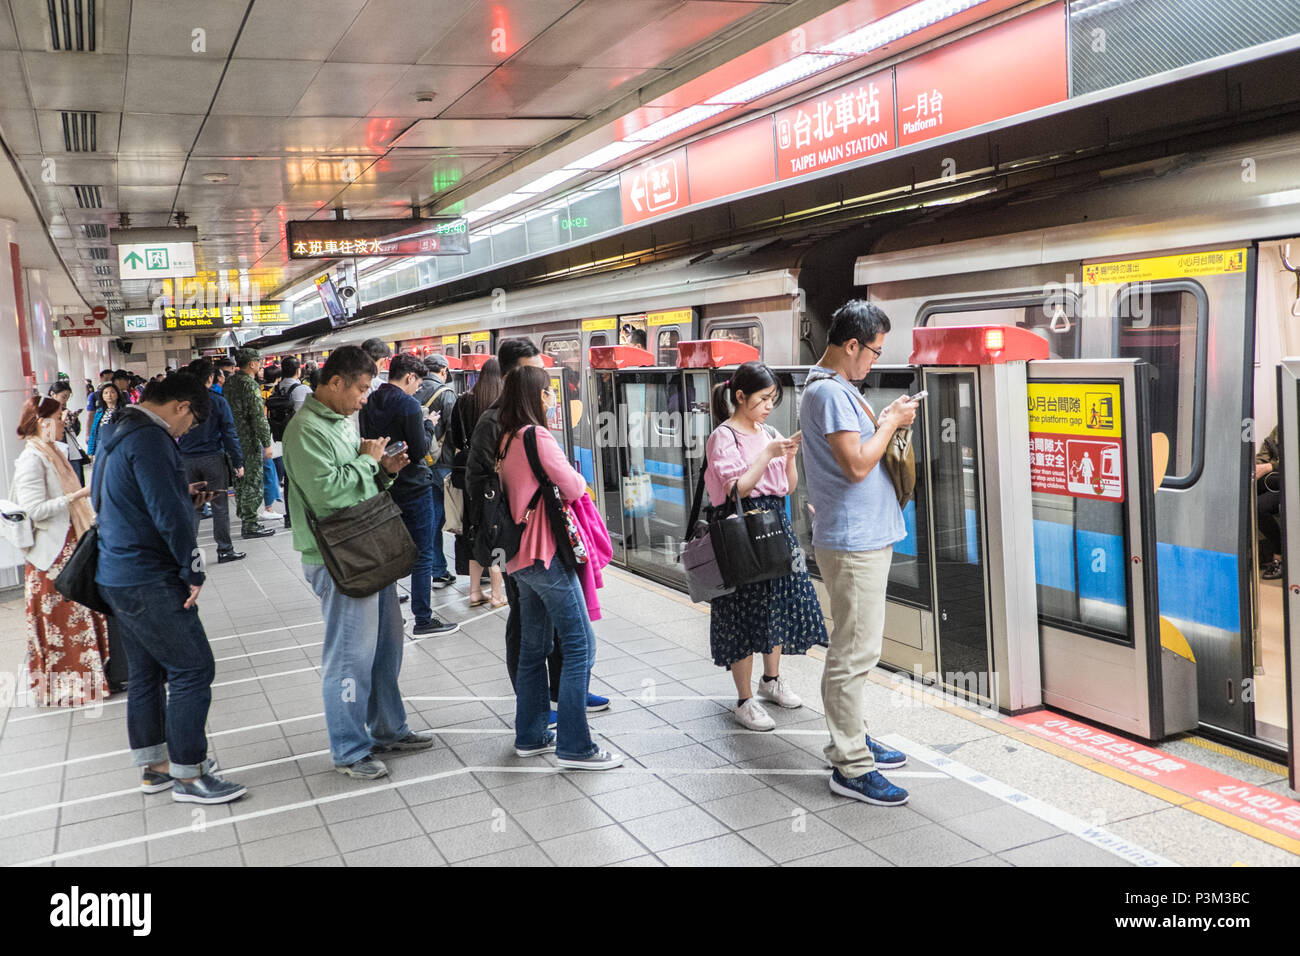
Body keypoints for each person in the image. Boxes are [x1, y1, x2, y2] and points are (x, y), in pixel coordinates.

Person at [283, 345, 435, 779]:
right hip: (338, 558)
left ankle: (388, 727)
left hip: (366, 548)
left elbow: (360, 484)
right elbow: (329, 495)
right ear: (335, 383)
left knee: (386, 645)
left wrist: (383, 469)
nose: (365, 398)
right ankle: (349, 749)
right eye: (362, 389)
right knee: (349, 656)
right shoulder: (305, 430)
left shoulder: (340, 422)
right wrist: (369, 463)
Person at [95, 371, 247, 804]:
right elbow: (169, 516)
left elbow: (119, 498)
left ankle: (156, 768)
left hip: (117, 572)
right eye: (192, 421)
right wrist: (191, 570)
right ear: (181, 406)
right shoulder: (152, 438)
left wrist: (183, 491)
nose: (188, 432)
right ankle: (190, 774)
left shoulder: (117, 428)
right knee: (193, 668)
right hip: (148, 575)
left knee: (146, 674)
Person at [799, 299, 918, 807]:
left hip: (863, 536)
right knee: (853, 652)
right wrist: (890, 419)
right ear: (851, 345)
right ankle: (849, 765)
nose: (874, 362)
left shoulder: (836, 388)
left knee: (857, 648)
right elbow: (855, 465)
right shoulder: (829, 392)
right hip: (853, 542)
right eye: (873, 352)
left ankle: (853, 735)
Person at [496, 365, 623, 771]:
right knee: (579, 644)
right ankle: (575, 745)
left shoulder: (507, 439)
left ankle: (531, 735)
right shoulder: (537, 436)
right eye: (548, 393)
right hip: (547, 554)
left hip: (519, 559)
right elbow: (572, 487)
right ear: (534, 396)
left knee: (534, 649)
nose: (552, 400)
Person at [704, 361, 827, 731]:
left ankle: (771, 681)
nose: (768, 406)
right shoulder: (723, 436)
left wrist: (788, 457)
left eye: (772, 399)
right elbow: (735, 489)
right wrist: (767, 454)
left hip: (774, 522)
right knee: (741, 612)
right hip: (741, 528)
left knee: (777, 603)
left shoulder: (768, 431)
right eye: (762, 399)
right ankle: (744, 700)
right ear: (740, 397)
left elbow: (786, 488)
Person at [10, 396, 111, 706]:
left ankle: (87, 682)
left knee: (77, 616)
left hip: (68, 550)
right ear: (43, 423)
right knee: (65, 620)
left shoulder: (52, 452)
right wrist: (76, 495)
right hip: (52, 558)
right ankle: (69, 687)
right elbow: (34, 510)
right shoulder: (33, 458)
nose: (63, 420)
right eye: (57, 417)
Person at [358, 351, 458, 637]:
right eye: (417, 382)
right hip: (414, 486)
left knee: (389, 552)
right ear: (410, 377)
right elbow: (418, 451)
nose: (418, 388)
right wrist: (428, 424)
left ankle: (390, 617)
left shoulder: (370, 401)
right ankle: (423, 618)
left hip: (383, 483)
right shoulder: (409, 405)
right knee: (423, 552)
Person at [450, 357, 506, 606]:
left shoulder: (463, 401)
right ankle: (497, 593)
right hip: (496, 481)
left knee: (472, 531)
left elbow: (453, 439)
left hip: (468, 479)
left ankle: (474, 592)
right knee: (497, 532)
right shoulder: (502, 409)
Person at [178, 358, 246, 564]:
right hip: (212, 460)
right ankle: (225, 550)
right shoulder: (218, 400)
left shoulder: (182, 402)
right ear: (210, 378)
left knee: (193, 507)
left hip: (186, 460)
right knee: (219, 506)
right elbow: (229, 432)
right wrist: (238, 461)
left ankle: (187, 554)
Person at [414, 353, 458, 590]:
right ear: (442, 370)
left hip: (421, 462)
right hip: (443, 463)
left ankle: (437, 569)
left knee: (431, 514)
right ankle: (437, 569)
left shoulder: (415, 389)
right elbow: (455, 430)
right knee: (442, 516)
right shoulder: (446, 393)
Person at [223, 348, 275, 540]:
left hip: (232, 440)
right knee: (253, 481)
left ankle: (245, 517)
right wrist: (267, 442)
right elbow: (258, 416)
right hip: (248, 441)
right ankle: (250, 524)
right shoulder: (249, 385)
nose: (260, 365)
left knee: (240, 481)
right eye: (258, 362)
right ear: (252, 363)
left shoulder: (229, 383)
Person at [268, 356, 311, 530]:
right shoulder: (302, 389)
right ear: (298, 370)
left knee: (289, 478)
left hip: (283, 437)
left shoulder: (278, 388)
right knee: (304, 477)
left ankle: (289, 516)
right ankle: (304, 513)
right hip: (301, 438)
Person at [47, 381, 88, 485]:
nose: (65, 401)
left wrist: (73, 422)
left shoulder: (66, 411)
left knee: (77, 484)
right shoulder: (46, 413)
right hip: (57, 454)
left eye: (67, 398)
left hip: (72, 453)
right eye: (63, 397)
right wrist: (62, 422)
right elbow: (49, 435)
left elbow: (76, 432)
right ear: (53, 394)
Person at [1257, 425, 1283, 580]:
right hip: (1276, 479)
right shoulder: (1280, 427)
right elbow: (1265, 452)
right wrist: (1257, 466)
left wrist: (1271, 466)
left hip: (1291, 480)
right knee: (1246, 492)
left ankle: (1279, 557)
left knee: (1259, 506)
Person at [86, 382, 123, 458]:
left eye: (112, 392)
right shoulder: (99, 412)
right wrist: (90, 452)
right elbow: (94, 432)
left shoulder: (123, 411)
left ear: (117, 394)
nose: (109, 395)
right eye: (105, 393)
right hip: (100, 447)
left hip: (116, 448)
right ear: (102, 396)